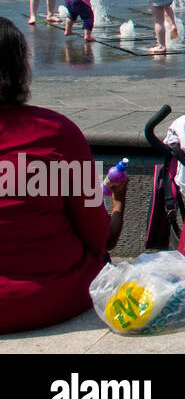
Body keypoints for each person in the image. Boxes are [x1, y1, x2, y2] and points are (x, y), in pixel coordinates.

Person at [0, 17, 128, 334]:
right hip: (50, 298)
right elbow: (100, 238)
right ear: (20, 68)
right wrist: (118, 204)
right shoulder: (58, 132)